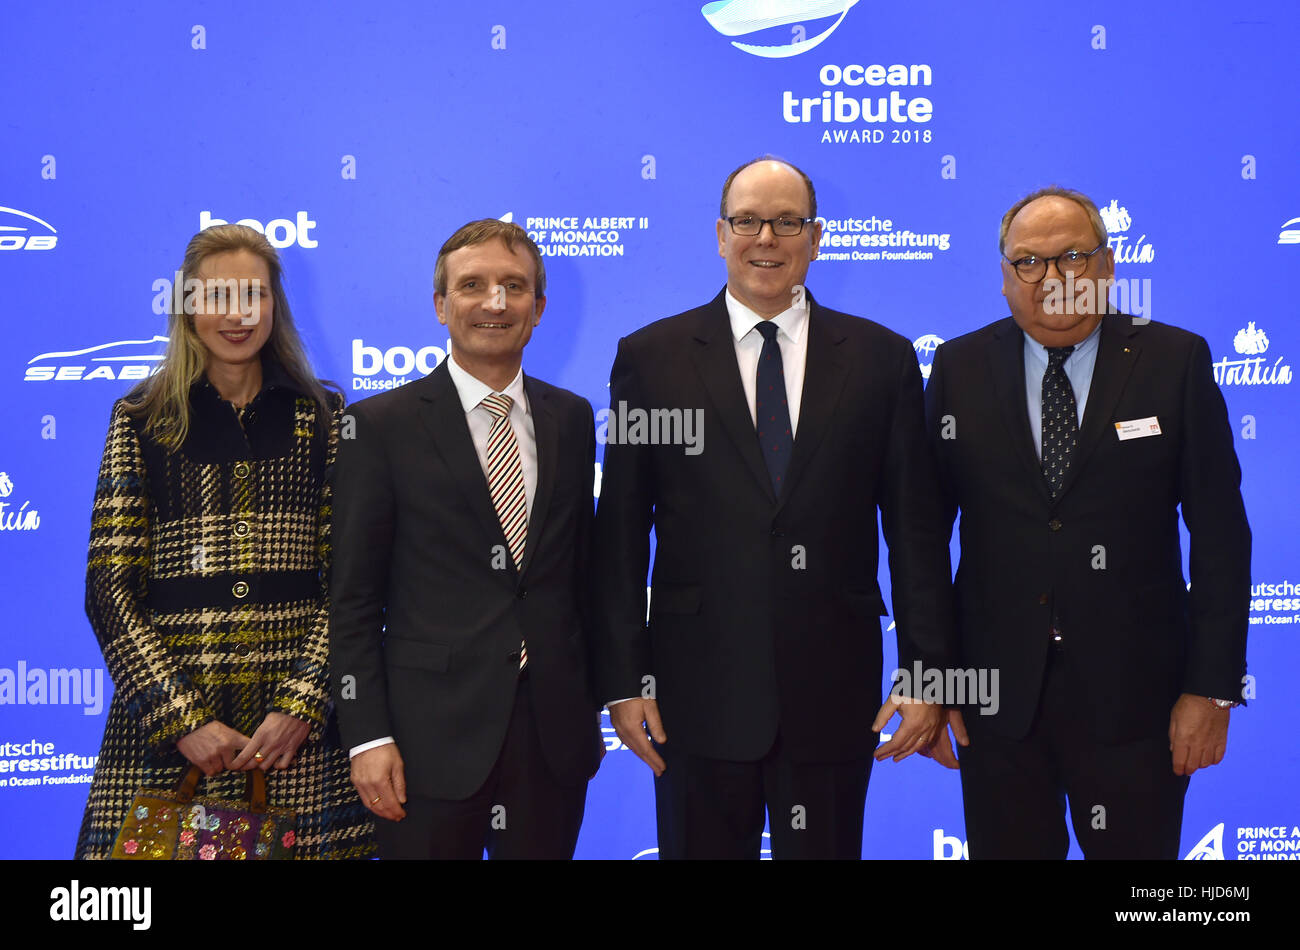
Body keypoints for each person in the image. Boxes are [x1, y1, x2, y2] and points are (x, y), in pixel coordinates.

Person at [594, 157, 957, 859]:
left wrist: (927, 671)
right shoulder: (651, 357)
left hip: (833, 689)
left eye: (787, 221)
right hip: (692, 696)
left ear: (815, 237)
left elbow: (915, 532)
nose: (767, 237)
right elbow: (619, 538)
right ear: (720, 234)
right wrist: (622, 679)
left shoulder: (881, 360)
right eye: (748, 221)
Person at [923, 186, 1250, 859]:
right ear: (1005, 276)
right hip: (996, 706)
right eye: (1028, 263)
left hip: (1140, 705)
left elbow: (1220, 537)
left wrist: (1212, 689)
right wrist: (935, 682)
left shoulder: (1175, 361)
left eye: (1071, 258)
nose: (1051, 280)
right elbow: (923, 539)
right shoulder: (957, 369)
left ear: (1106, 266)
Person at [76, 223, 374, 859]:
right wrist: (182, 720)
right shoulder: (142, 420)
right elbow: (109, 592)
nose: (237, 315)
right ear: (187, 306)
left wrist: (302, 704)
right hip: (172, 742)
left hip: (297, 743)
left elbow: (349, 583)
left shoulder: (324, 418)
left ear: (275, 306)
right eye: (217, 296)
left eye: (254, 295)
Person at [329, 219, 602, 859]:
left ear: (539, 308)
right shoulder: (378, 426)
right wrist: (367, 737)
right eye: (473, 285)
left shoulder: (573, 417)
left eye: (515, 286)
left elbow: (582, 576)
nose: (495, 302)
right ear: (441, 306)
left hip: (551, 742)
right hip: (424, 745)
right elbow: (354, 600)